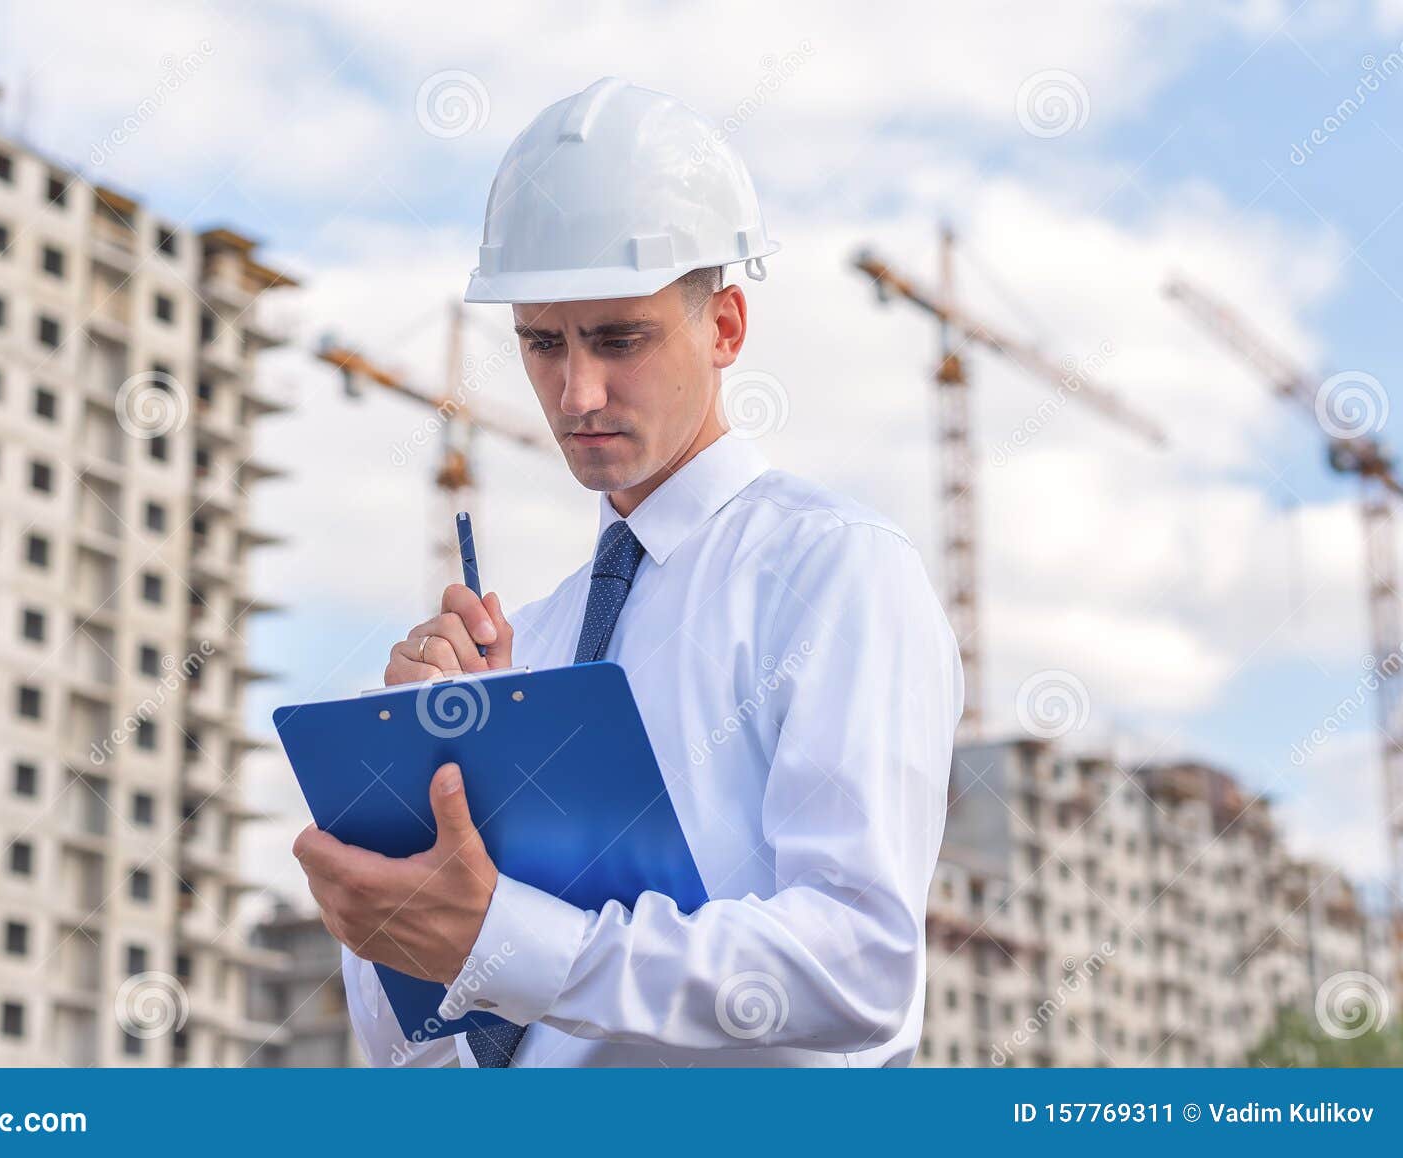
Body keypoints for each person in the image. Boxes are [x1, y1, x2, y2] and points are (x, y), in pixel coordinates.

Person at [293, 76, 963, 1068]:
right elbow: (422, 1056)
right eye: (541, 344)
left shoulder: (832, 572)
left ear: (726, 327)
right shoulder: (535, 643)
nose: (576, 391)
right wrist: (417, 827)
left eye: (619, 339)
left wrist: (509, 940)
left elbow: (857, 971)